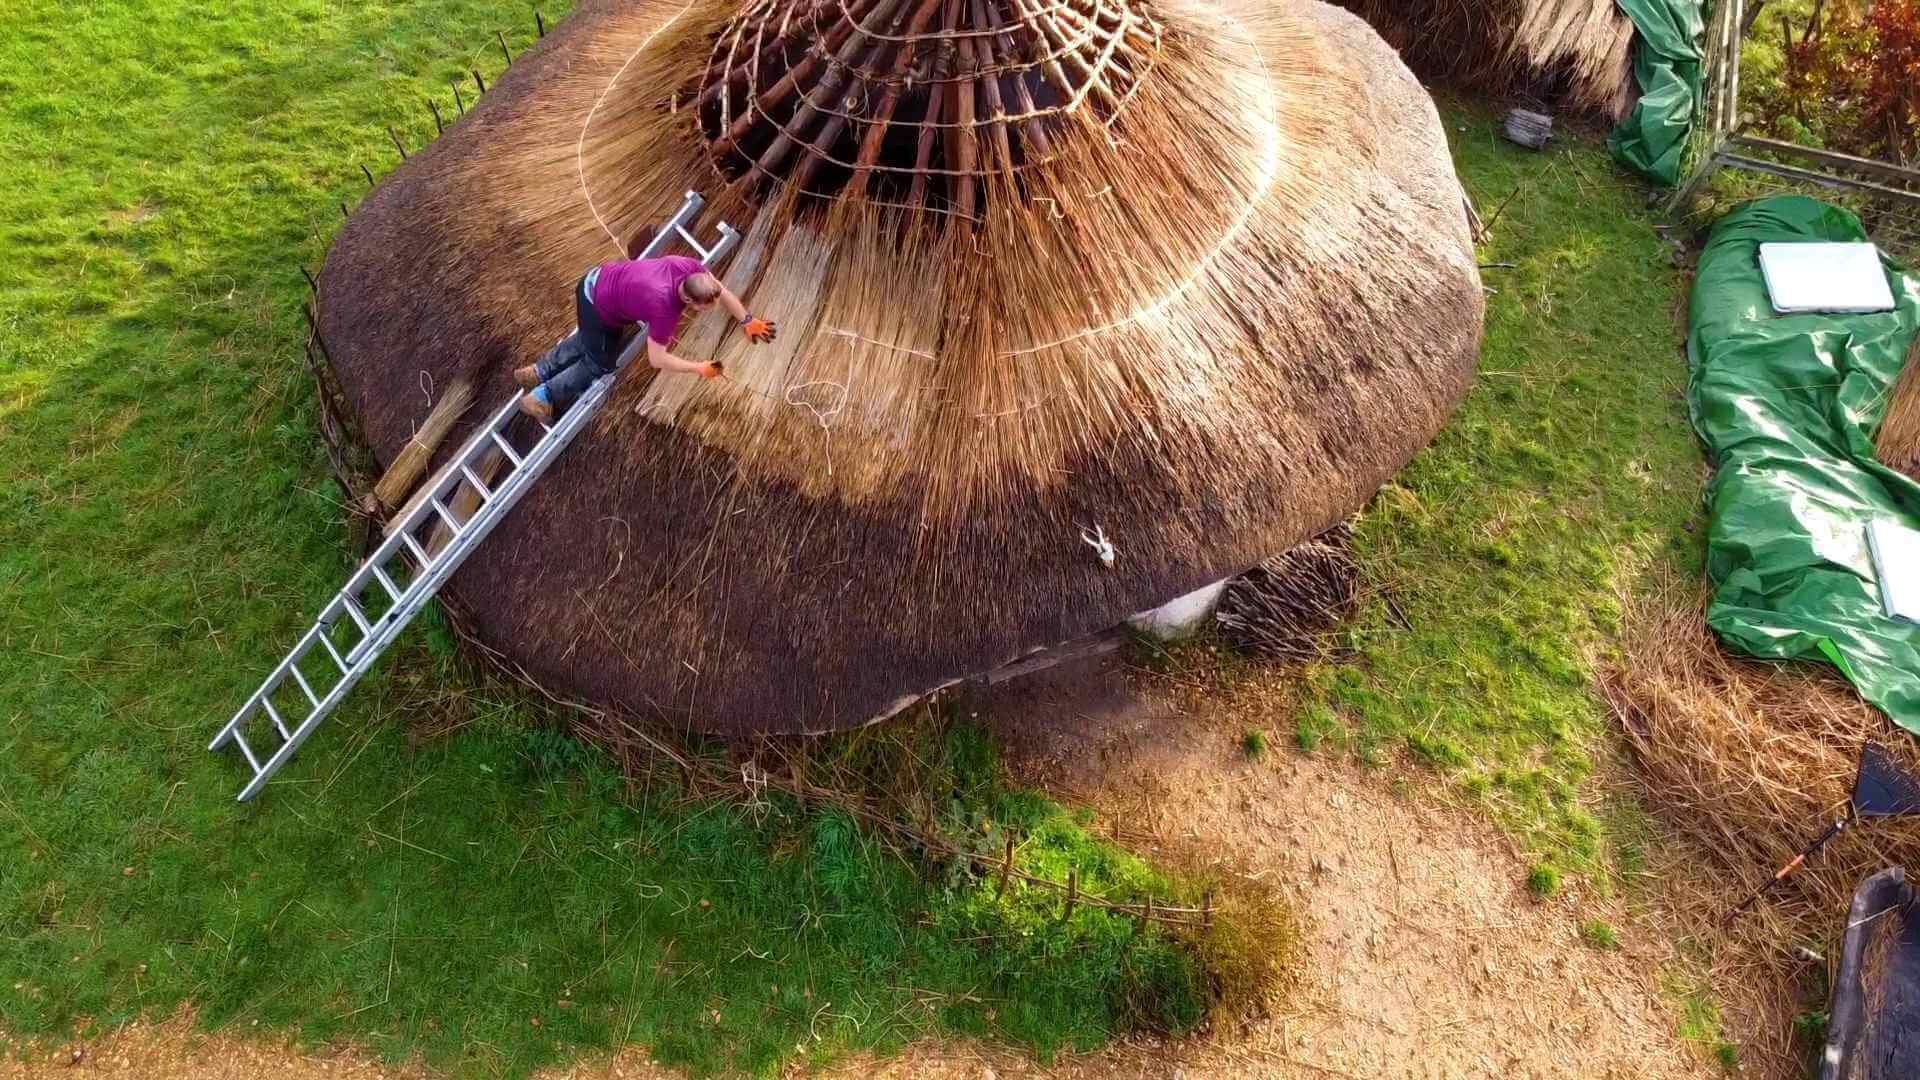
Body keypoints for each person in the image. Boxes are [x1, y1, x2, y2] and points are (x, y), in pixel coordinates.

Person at [515, 254, 777, 420]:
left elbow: (722, 290)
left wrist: (747, 320)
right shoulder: (664, 309)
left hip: (598, 279)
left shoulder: (688, 267)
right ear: (687, 299)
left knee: (592, 338)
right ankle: (542, 396)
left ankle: (539, 370)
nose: (708, 311)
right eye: (703, 308)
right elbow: (657, 359)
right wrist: (697, 367)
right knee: (600, 362)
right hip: (596, 303)